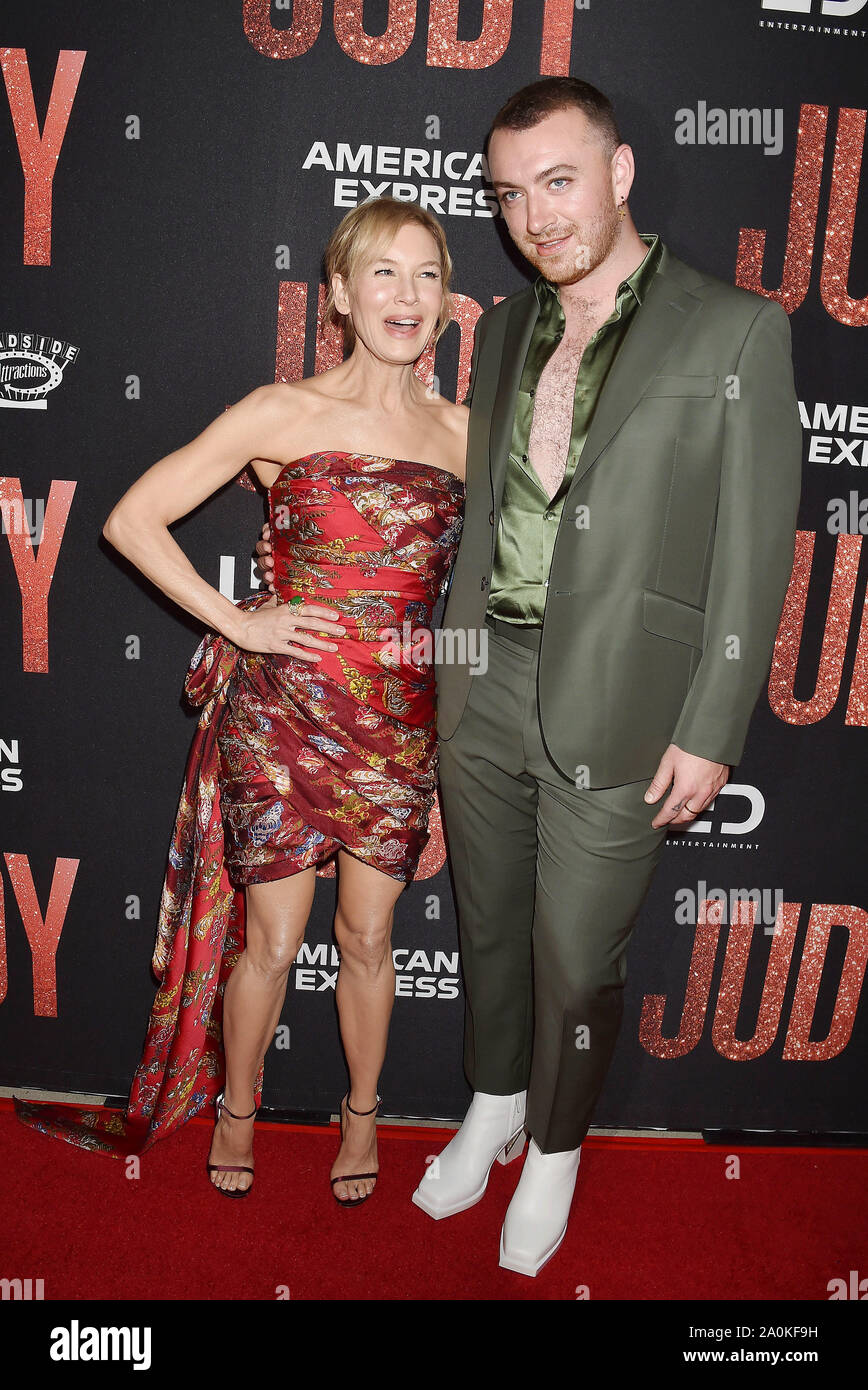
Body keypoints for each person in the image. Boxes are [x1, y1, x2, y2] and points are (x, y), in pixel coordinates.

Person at [262, 74, 806, 1277]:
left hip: (628, 697)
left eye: (558, 183)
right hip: (485, 680)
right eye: (510, 195)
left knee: (575, 951)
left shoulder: (736, 329)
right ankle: (495, 1100)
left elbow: (755, 552)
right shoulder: (501, 325)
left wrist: (714, 724)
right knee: (490, 923)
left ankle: (553, 1148)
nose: (536, 216)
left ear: (618, 176)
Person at [14, 197, 467, 1207]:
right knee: (270, 939)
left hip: (394, 732)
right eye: (382, 273)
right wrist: (239, 620)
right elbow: (133, 519)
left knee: (368, 939)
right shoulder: (282, 413)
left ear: (447, 301)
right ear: (341, 295)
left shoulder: (464, 434)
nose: (406, 293)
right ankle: (240, 1108)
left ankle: (361, 1115)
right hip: (281, 721)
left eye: (427, 273)